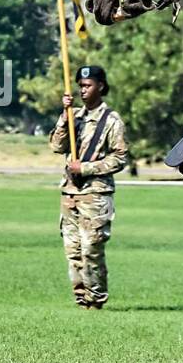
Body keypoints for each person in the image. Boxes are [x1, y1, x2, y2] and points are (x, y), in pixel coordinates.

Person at [50, 66, 129, 309]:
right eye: (80, 86)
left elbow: (120, 157)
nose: (82, 90)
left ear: (101, 87)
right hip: (70, 193)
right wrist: (64, 117)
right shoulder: (74, 116)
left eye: (88, 85)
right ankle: (81, 299)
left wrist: (85, 168)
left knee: (91, 248)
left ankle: (96, 299)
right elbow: (56, 145)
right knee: (73, 251)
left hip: (95, 194)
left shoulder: (111, 121)